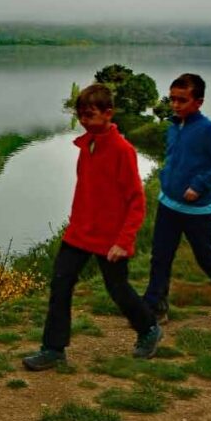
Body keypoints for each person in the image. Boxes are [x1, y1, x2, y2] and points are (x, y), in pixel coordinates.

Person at [23, 84, 162, 371]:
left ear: (108, 113)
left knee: (118, 289)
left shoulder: (122, 151)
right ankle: (53, 349)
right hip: (79, 232)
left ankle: (149, 328)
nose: (84, 120)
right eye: (81, 115)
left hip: (110, 238)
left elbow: (136, 200)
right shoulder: (88, 145)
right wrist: (75, 223)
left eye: (90, 114)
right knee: (61, 284)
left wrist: (124, 240)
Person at [143, 73, 211, 323]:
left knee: (206, 258)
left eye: (182, 100)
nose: (175, 104)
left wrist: (199, 185)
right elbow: (175, 159)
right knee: (160, 255)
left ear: (198, 102)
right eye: (172, 99)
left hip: (196, 210)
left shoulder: (209, 130)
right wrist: (165, 178)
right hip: (168, 203)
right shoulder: (174, 126)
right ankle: (155, 306)